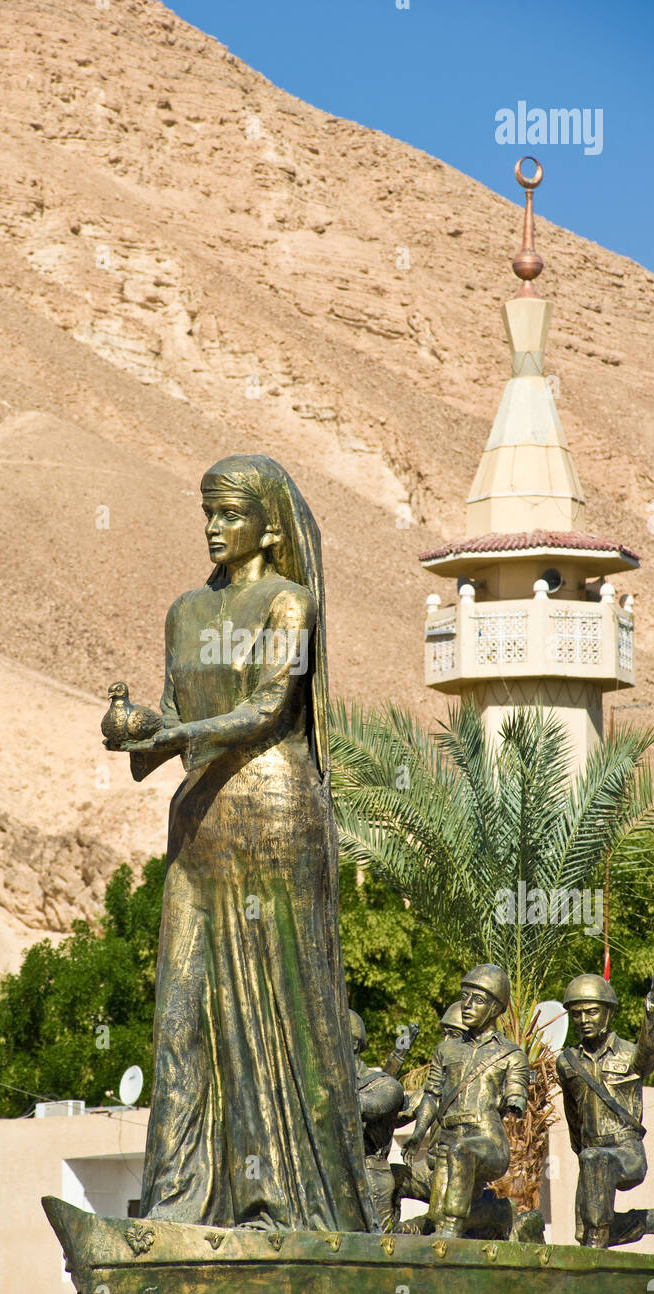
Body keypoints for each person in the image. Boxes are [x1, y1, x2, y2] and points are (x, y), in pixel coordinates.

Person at [115, 454, 377, 1232]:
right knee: (183, 1013)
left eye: (230, 513)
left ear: (268, 522)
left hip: (271, 809)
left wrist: (176, 733)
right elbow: (160, 731)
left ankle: (278, 1203)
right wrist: (134, 731)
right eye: (208, 512)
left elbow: (269, 708)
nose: (214, 527)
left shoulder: (288, 602)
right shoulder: (185, 611)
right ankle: (177, 1199)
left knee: (270, 1007)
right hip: (198, 824)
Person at [557, 970, 654, 1255]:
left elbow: (648, 1050)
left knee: (594, 1234)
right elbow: (572, 1115)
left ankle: (595, 1264)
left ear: (608, 1013)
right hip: (591, 1158)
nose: (584, 1020)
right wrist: (581, 1151)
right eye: (576, 1014)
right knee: (583, 1232)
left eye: (592, 1012)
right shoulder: (566, 1062)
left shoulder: (628, 1054)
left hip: (626, 1153)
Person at [402, 964, 528, 1238]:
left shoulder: (511, 1054)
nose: (467, 1005)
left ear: (496, 1008)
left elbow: (517, 1091)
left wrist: (515, 1100)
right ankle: (495, 1213)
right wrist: (418, 1132)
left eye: (478, 1000)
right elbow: (432, 1095)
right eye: (465, 996)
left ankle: (451, 1231)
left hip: (488, 1142)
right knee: (437, 1213)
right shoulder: (445, 1049)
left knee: (462, 1152)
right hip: (448, 1140)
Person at [349, 1011, 405, 1232]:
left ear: (353, 1044)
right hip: (333, 1173)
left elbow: (368, 1108)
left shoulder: (385, 1086)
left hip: (370, 1176)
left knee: (379, 1245)